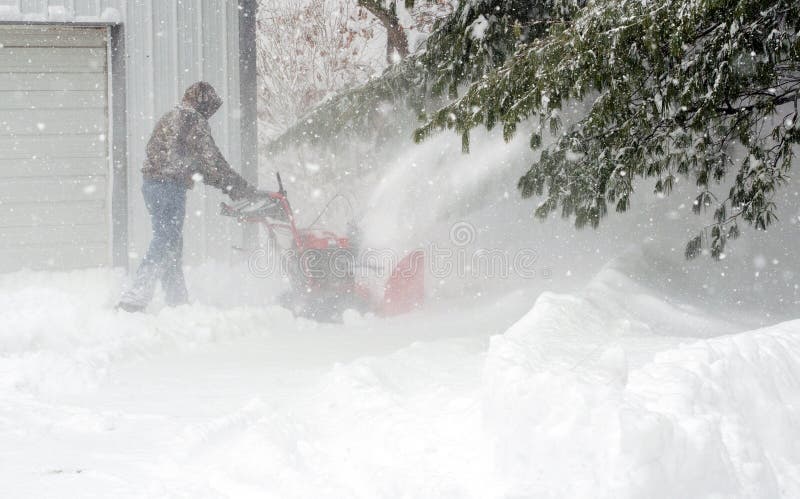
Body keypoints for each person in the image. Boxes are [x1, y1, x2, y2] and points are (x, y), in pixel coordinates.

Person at [117, 82, 257, 312]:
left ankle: (177, 302)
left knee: (172, 243)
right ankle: (135, 296)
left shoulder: (172, 116)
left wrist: (227, 185)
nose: (209, 113)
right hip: (168, 187)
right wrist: (236, 186)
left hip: (152, 185)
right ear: (203, 102)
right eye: (209, 107)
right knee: (165, 240)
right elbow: (212, 160)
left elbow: (196, 166)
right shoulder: (193, 120)